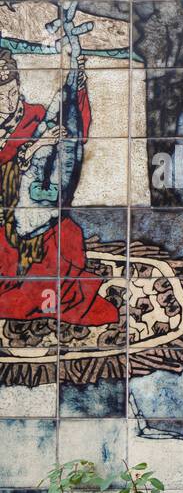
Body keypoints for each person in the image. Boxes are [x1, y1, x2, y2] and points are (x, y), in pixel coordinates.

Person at [0, 32, 116, 328]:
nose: (8, 100)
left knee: (67, 240)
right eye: (0, 95)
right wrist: (32, 148)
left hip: (36, 218)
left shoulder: (36, 117)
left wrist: (75, 82)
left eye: (12, 91)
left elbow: (73, 129)